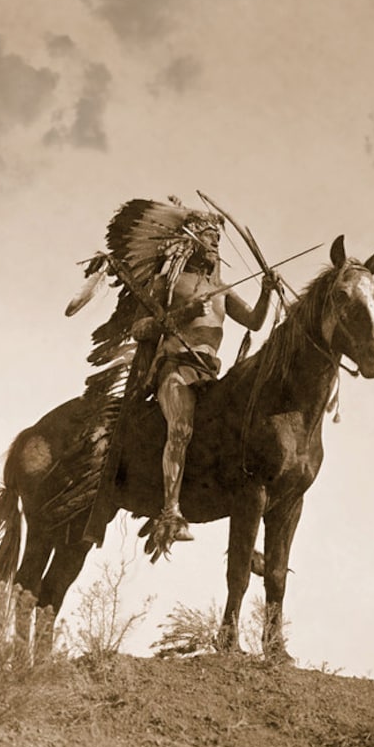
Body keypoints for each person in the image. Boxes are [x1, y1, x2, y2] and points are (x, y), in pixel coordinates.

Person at [132, 213, 282, 561]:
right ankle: (170, 512)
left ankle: (246, 524)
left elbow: (255, 322)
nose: (215, 243)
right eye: (209, 236)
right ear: (190, 240)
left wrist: (266, 292)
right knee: (181, 428)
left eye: (217, 238)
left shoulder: (223, 290)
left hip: (209, 377)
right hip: (174, 370)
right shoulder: (168, 283)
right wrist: (183, 314)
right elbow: (140, 329)